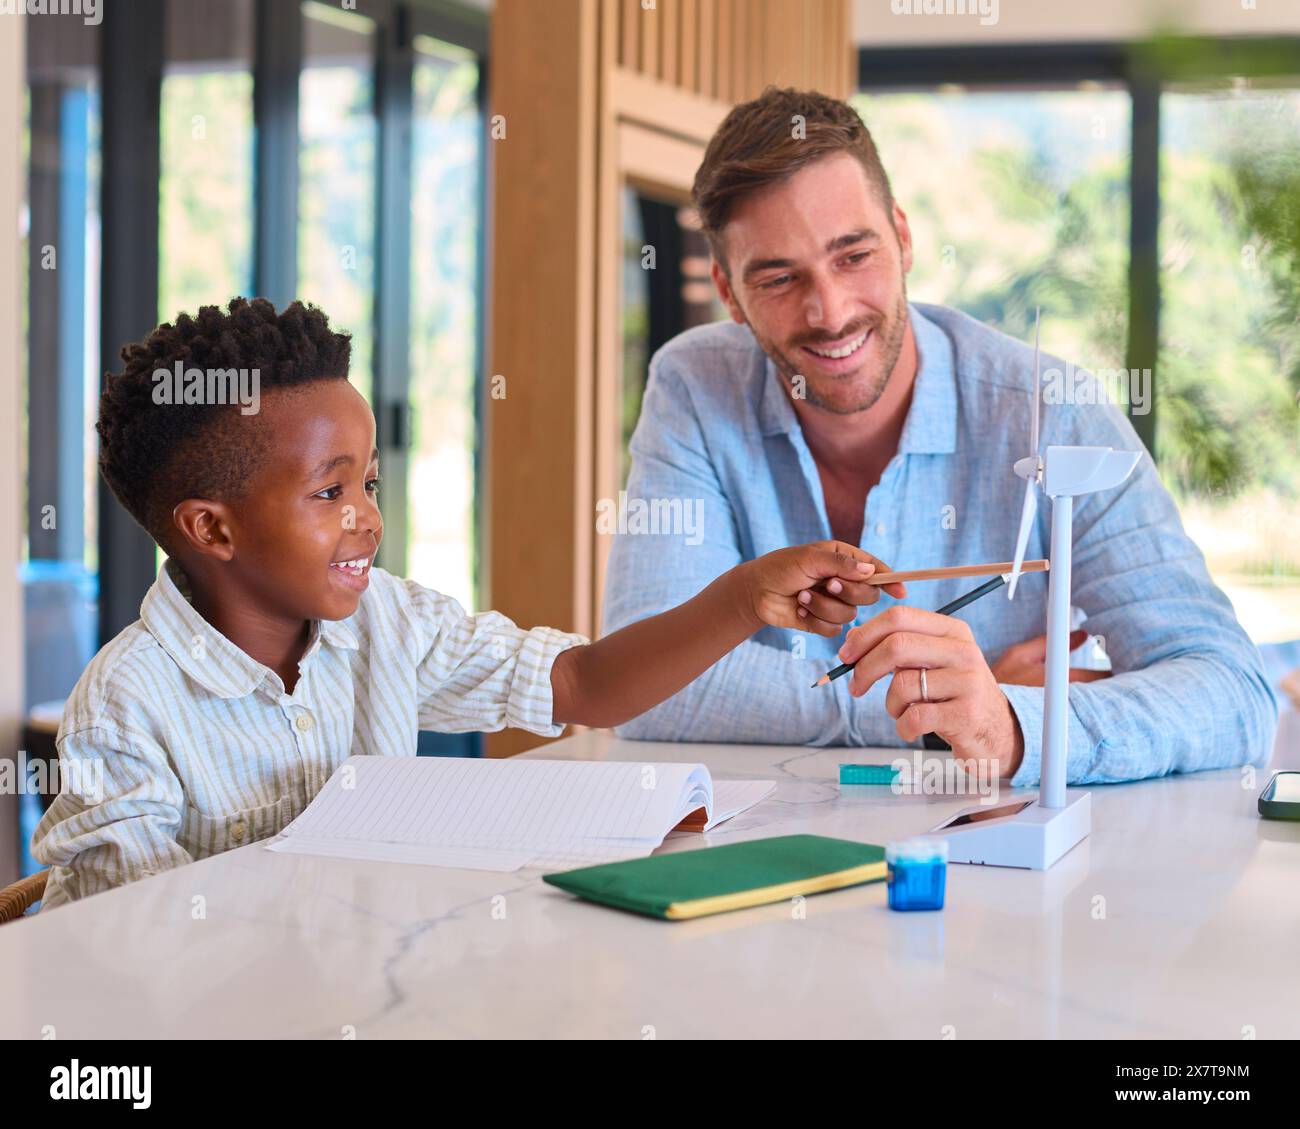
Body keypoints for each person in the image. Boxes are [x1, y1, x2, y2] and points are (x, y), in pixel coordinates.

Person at [31, 297, 898, 907]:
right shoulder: (125, 704)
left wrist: (746, 597)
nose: (370, 517)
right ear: (212, 531)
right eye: (331, 494)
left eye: (369, 482)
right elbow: (135, 941)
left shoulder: (390, 623)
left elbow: (587, 684)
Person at [602, 87, 1276, 786]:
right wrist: (931, 703)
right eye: (778, 278)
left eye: (853, 254)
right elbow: (644, 682)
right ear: (729, 292)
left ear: (903, 236)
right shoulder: (692, 383)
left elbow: (1234, 693)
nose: (829, 312)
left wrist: (1007, 723)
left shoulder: (1054, 412)